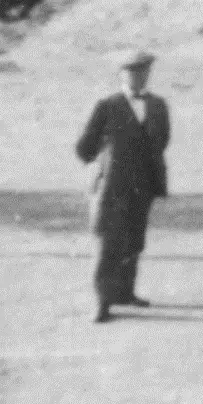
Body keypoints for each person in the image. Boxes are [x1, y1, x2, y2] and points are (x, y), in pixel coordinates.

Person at [77, 47, 173, 323]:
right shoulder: (107, 106)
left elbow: (162, 140)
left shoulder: (158, 105)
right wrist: (106, 162)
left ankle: (125, 293)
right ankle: (103, 302)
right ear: (121, 74)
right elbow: (85, 147)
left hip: (144, 185)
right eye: (132, 71)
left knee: (134, 240)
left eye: (143, 71)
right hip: (112, 186)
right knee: (108, 243)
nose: (139, 76)